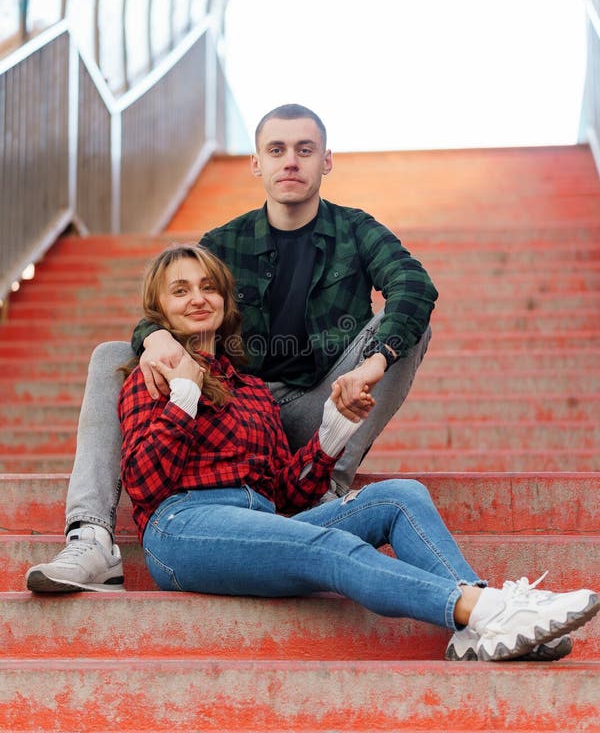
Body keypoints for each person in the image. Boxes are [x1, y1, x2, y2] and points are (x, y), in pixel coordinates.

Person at [26, 103, 440, 598]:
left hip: (322, 403)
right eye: (277, 150)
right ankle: (91, 534)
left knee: (407, 327)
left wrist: (374, 363)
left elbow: (413, 284)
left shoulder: (354, 229)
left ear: (325, 161)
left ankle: (330, 484)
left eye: (304, 150)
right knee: (109, 356)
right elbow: (169, 304)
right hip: (235, 405)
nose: (291, 161)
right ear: (257, 163)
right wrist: (154, 336)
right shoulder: (225, 241)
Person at [116, 244, 598, 662]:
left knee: (399, 496)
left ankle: (477, 633)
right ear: (158, 309)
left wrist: (334, 426)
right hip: (182, 528)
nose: (198, 298)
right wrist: (183, 396)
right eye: (180, 291)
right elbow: (143, 485)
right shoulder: (152, 376)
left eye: (208, 287)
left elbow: (285, 493)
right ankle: (487, 609)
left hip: (264, 520)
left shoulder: (251, 390)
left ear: (224, 299)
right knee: (328, 547)